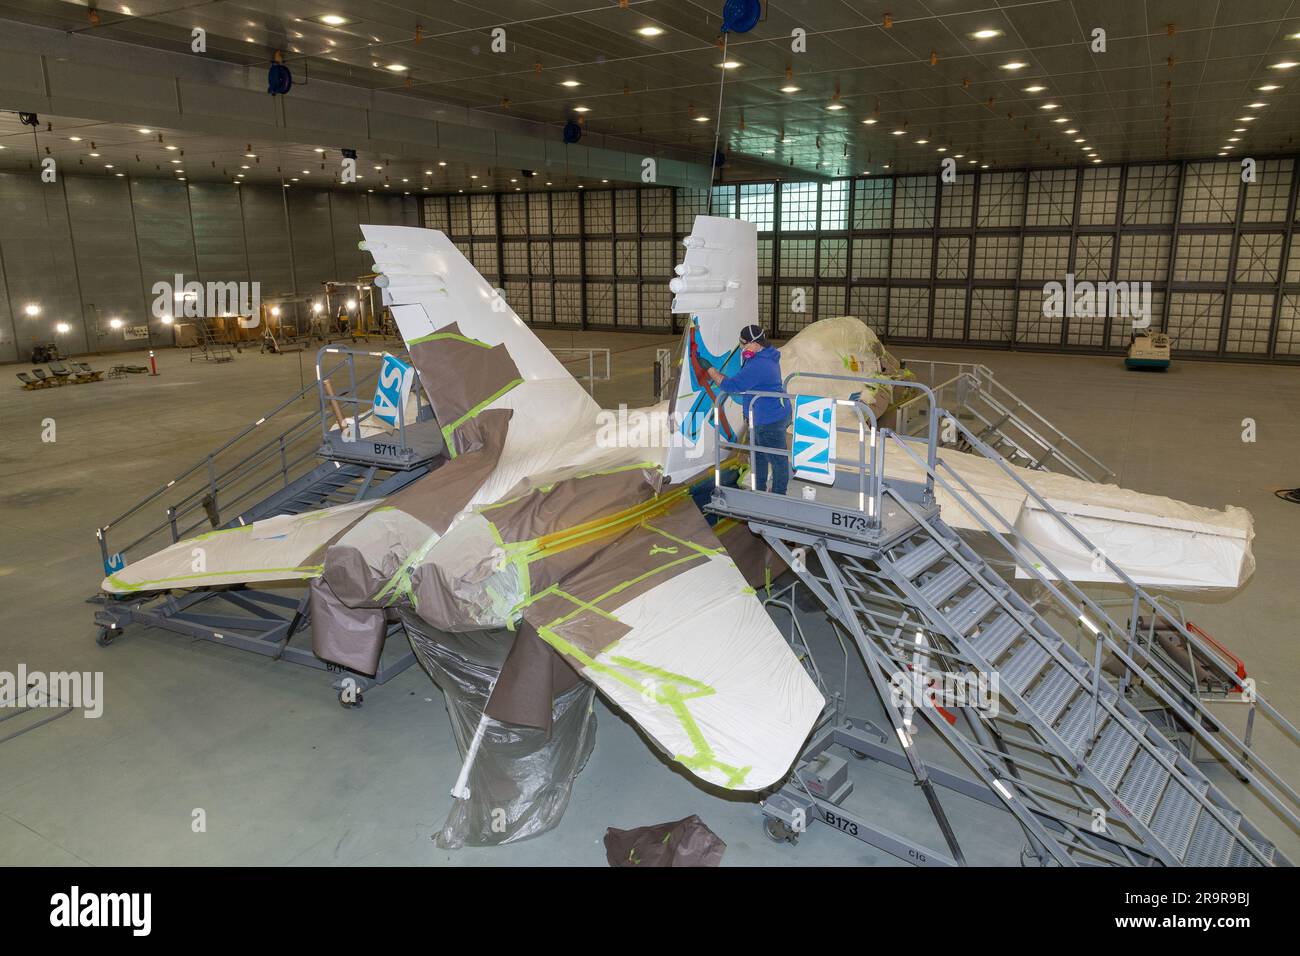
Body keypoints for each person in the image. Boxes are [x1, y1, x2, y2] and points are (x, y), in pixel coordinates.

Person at [706, 324, 791, 496]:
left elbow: (733, 386)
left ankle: (779, 496)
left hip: (769, 420)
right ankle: (759, 492)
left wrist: (711, 371)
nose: (742, 347)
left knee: (778, 460)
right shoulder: (763, 355)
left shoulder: (760, 365)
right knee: (759, 457)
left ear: (755, 343)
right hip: (765, 415)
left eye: (744, 343)